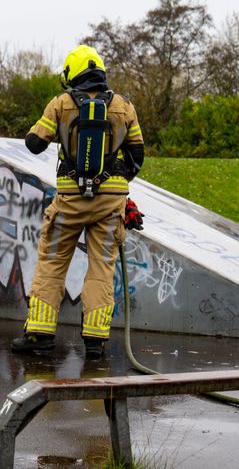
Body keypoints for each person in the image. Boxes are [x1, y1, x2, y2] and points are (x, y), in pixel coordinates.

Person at [11, 45, 145, 359]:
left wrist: (47, 126)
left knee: (52, 263)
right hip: (110, 203)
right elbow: (137, 156)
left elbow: (34, 144)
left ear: (72, 74)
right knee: (102, 268)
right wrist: (117, 187)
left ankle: (40, 336)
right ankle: (96, 343)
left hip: (70, 200)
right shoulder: (125, 107)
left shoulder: (61, 103)